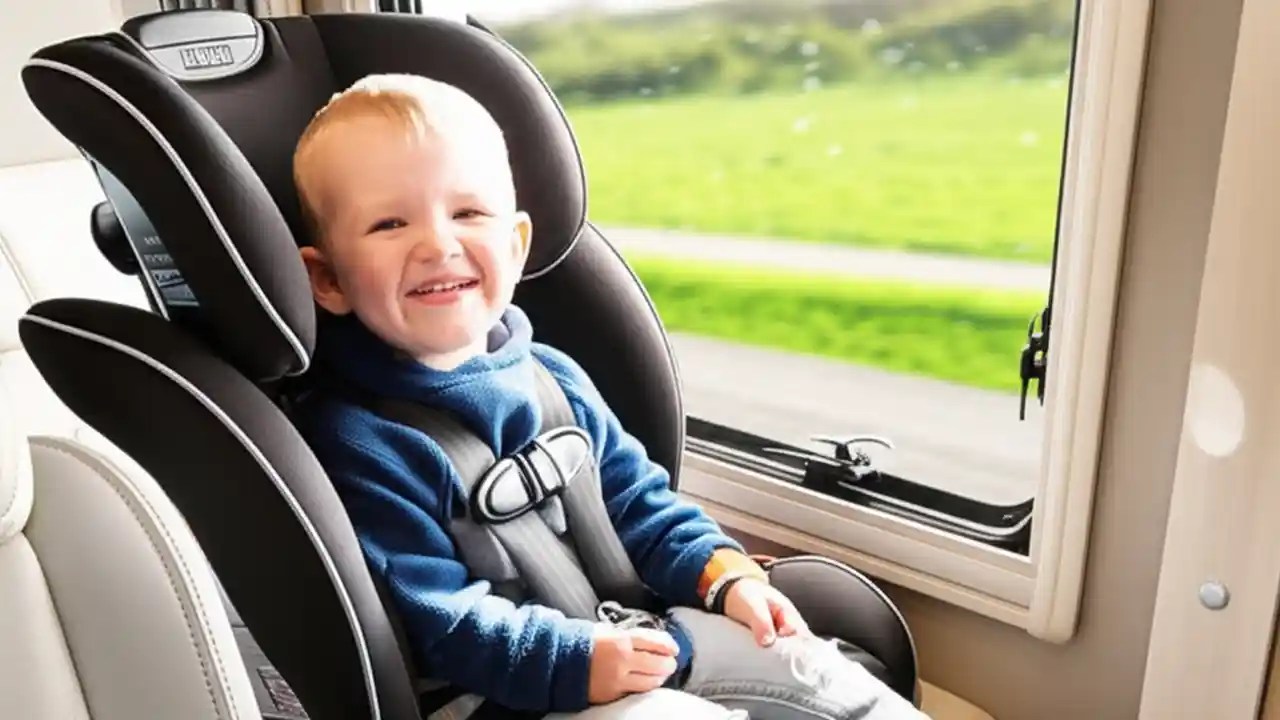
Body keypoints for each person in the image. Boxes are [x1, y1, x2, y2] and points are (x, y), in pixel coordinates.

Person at [289, 72, 925, 720]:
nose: (437, 244)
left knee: (802, 658)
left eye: (468, 213)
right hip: (502, 694)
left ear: (515, 244)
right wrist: (578, 660)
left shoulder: (554, 378)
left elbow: (641, 505)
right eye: (389, 223)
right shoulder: (359, 441)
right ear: (328, 278)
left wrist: (722, 574)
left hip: (632, 635)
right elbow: (441, 621)